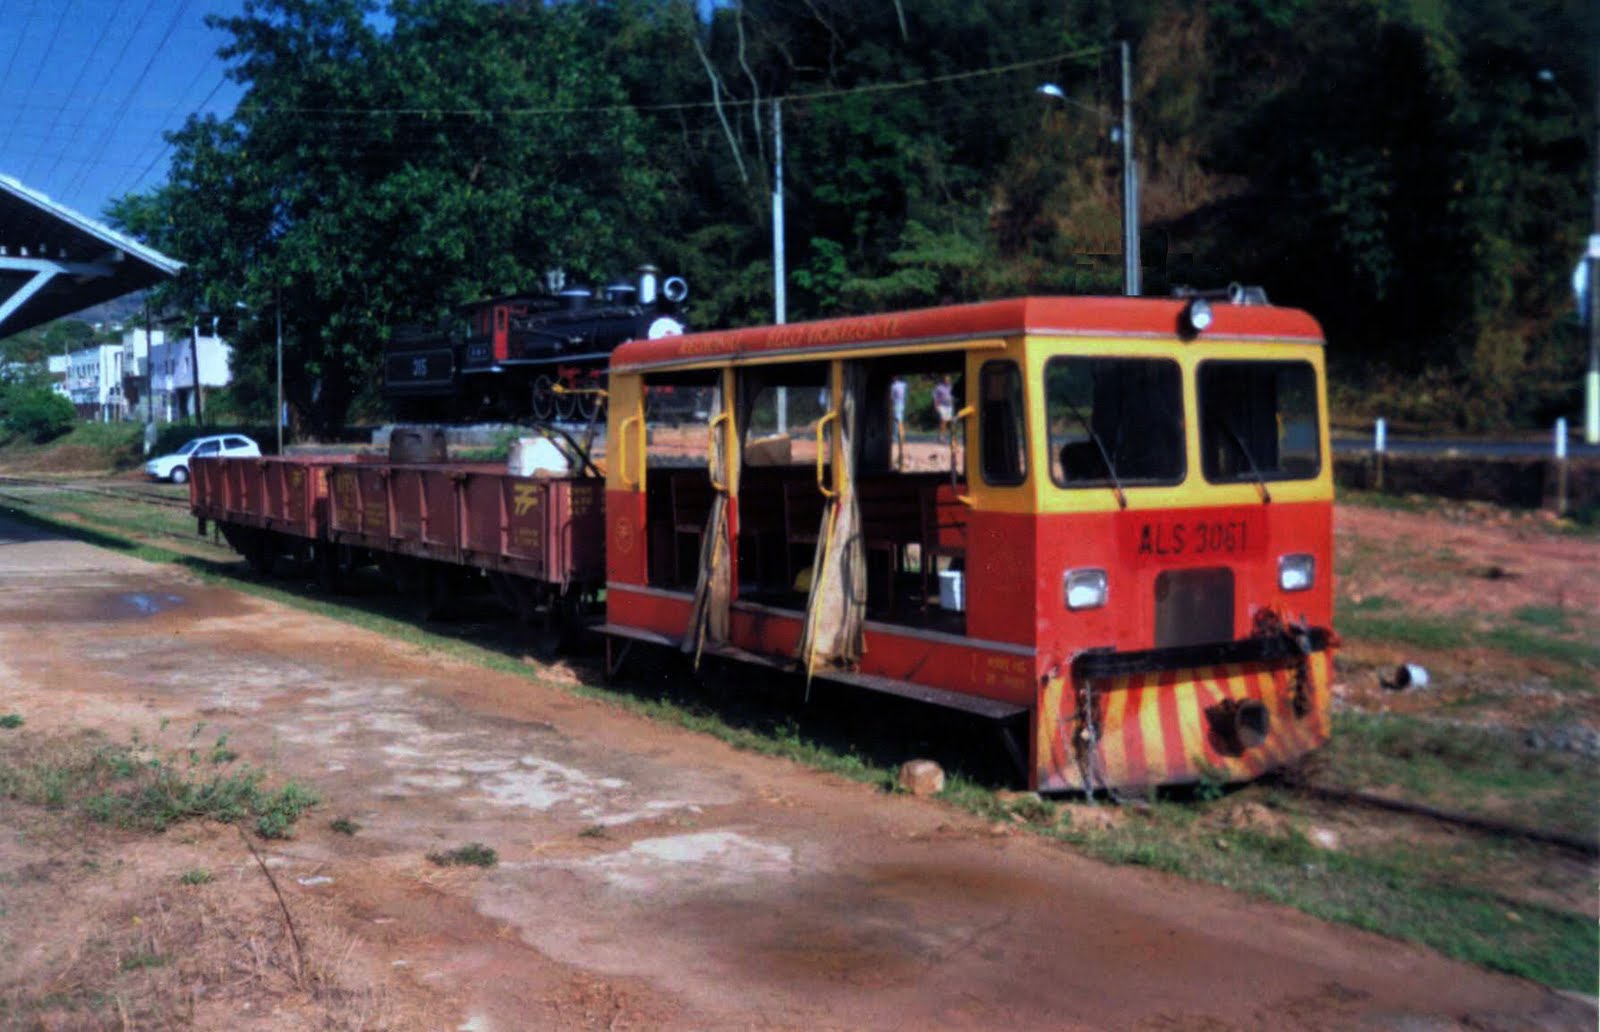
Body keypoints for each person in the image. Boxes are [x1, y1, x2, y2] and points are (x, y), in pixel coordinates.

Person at [889, 376, 908, 469]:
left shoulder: (893, 386)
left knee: (897, 421)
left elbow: (891, 398)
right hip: (902, 404)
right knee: (900, 421)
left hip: (897, 404)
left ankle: (898, 437)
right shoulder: (904, 385)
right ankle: (901, 437)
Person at [932, 375, 955, 443]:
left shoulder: (951, 387)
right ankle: (942, 437)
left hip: (949, 406)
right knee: (943, 421)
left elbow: (953, 396)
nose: (947, 381)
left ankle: (947, 437)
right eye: (946, 379)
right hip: (942, 406)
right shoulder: (939, 387)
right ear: (943, 380)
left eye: (948, 380)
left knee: (949, 422)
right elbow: (935, 397)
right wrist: (936, 406)